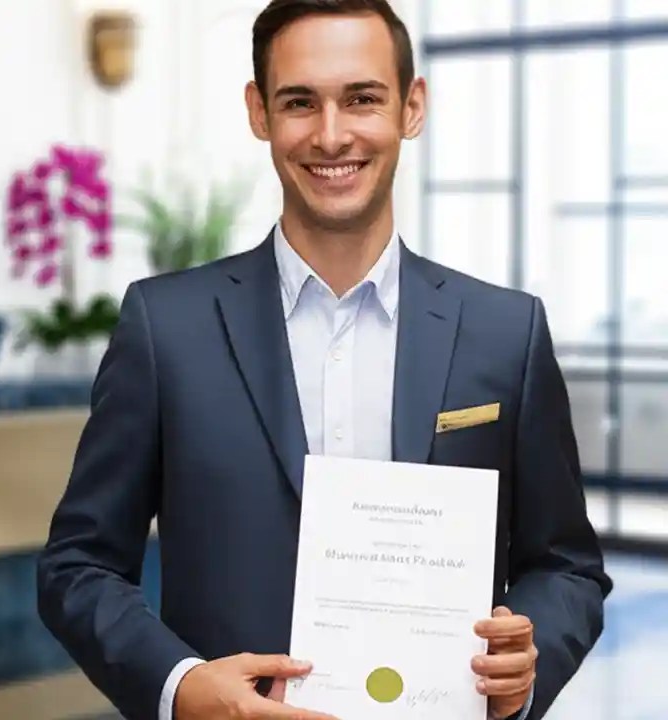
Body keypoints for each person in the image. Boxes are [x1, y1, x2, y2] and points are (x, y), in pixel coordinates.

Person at [36, 1, 612, 719]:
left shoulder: (506, 332)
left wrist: (526, 668)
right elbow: (78, 566)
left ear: (412, 105)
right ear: (260, 112)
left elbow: (566, 568)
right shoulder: (166, 327)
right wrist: (180, 687)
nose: (332, 135)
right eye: (300, 102)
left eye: (362, 99)